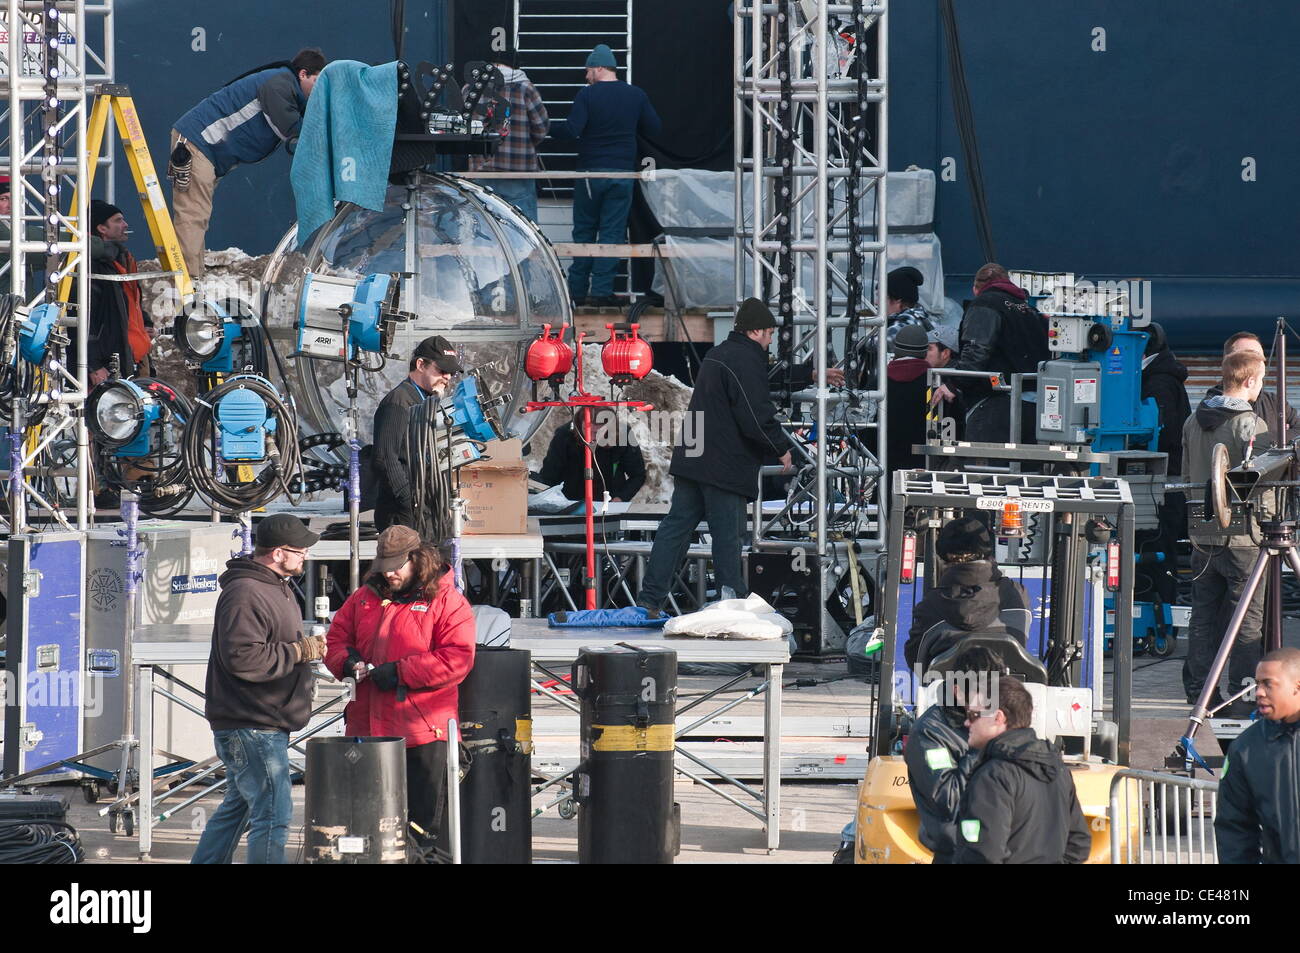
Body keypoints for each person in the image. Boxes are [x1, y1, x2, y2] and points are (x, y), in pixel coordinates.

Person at [324, 525, 475, 854]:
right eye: (384, 566)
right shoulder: (364, 597)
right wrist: (348, 663)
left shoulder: (448, 601)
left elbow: (457, 659)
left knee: (421, 834)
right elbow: (335, 640)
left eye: (396, 566)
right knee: (364, 828)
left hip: (422, 734)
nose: (389, 573)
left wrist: (400, 672)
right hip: (367, 730)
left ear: (418, 560)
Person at [637, 297, 792, 613]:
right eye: (769, 333)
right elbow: (755, 413)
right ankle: (731, 605)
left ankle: (649, 600)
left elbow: (757, 383)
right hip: (724, 465)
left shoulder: (718, 354)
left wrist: (810, 374)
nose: (771, 340)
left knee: (675, 530)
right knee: (728, 537)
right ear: (756, 331)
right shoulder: (745, 360)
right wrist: (780, 447)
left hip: (694, 459)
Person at [191, 514, 324, 864]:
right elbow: (243, 657)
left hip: (259, 721)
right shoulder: (246, 592)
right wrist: (299, 651)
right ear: (278, 553)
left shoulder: (274, 585)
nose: (305, 556)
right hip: (251, 724)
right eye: (300, 551)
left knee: (237, 809)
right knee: (273, 814)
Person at [170, 48, 324, 279]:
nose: (319, 90)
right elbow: (290, 128)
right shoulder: (279, 84)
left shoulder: (282, 83)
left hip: (205, 148)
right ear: (303, 74)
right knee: (193, 214)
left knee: (197, 215)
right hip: (196, 143)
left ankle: (192, 275)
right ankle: (188, 280)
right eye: (317, 81)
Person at [1182, 349, 1274, 716]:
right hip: (1242, 537)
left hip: (1202, 531)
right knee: (1246, 618)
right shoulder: (1250, 424)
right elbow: (1264, 484)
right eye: (1261, 380)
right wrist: (1270, 524)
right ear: (1250, 380)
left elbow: (1187, 474)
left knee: (1203, 617)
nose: (1261, 386)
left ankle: (1199, 692)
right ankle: (1242, 693)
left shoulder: (1193, 420)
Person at [558, 43, 661, 307]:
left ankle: (576, 292)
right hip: (622, 174)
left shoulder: (587, 95)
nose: (586, 76)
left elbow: (572, 130)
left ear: (599, 68)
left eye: (588, 70)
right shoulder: (636, 95)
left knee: (584, 231)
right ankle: (602, 292)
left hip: (590, 174)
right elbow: (654, 128)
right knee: (612, 233)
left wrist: (546, 129)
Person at [954, 676, 1091, 864]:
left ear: (998, 717)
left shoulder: (994, 775)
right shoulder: (1057, 768)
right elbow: (1078, 844)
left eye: (973, 715)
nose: (967, 723)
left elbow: (985, 854)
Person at [931, 263, 1048, 444]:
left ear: (975, 289)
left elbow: (976, 350)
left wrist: (953, 384)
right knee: (1027, 461)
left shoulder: (984, 305)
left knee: (985, 460)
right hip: (1037, 407)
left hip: (995, 405)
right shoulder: (1030, 310)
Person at [904, 645, 1001, 864]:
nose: (990, 705)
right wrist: (979, 747)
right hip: (960, 853)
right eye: (981, 696)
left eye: (994, 695)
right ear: (958, 692)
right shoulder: (930, 733)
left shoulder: (999, 718)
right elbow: (947, 799)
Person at [903, 516, 1030, 671]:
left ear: (944, 557)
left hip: (950, 684)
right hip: (1009, 682)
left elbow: (915, 660)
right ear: (986, 550)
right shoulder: (1016, 593)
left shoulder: (931, 604)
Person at [1215, 647, 1300, 864]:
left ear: (1297, 687)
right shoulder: (1245, 748)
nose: (1259, 692)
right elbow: (1234, 826)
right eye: (1257, 684)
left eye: (1268, 684)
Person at [371, 336, 463, 533]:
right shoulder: (399, 402)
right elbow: (384, 458)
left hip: (430, 510)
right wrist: (407, 498)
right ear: (421, 365)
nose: (448, 377)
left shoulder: (428, 401)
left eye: (452, 373)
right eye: (442, 370)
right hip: (406, 514)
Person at [1138, 322, 1190, 604]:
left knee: (1157, 549)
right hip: (1167, 479)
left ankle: (1159, 607)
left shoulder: (1158, 382)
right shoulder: (1163, 376)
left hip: (1161, 481)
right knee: (1160, 549)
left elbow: (1163, 432)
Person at [467, 52, 549, 222]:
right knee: (522, 227)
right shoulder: (525, 89)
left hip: (482, 170)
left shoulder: (472, 88)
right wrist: (526, 144)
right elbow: (541, 127)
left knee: (485, 228)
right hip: (519, 171)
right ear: (515, 66)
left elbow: (464, 128)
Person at [87, 200, 153, 385]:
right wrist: (93, 365)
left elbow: (131, 302)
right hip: (108, 367)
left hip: (134, 360)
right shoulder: (91, 265)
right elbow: (83, 320)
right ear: (101, 228)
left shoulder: (123, 258)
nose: (125, 225)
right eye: (118, 220)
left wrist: (145, 324)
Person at [1207, 331, 1299, 444]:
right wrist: (1275, 437)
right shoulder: (1209, 407)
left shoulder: (1274, 401)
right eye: (1249, 356)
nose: (1258, 362)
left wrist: (1273, 437)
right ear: (1230, 361)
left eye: (1260, 357)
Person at [539, 412, 646, 503]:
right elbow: (549, 476)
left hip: (610, 504)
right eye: (587, 430)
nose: (592, 438)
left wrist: (620, 498)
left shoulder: (623, 433)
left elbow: (638, 474)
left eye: (598, 432)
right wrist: (555, 501)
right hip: (570, 504)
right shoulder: (564, 435)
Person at [879, 325, 932, 477]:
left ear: (896, 349)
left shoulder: (879, 382)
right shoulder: (936, 383)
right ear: (925, 352)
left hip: (886, 463)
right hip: (926, 465)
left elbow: (864, 424)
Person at [0, 176, 45, 294]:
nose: (10, 205)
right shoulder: (6, 233)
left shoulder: (18, 227)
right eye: (3, 199)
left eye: (14, 198)